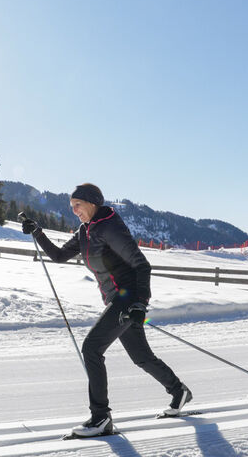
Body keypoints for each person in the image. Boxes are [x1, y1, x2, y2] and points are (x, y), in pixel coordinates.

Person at [22, 183, 191, 437]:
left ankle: (100, 417)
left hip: (128, 298)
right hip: (116, 301)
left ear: (92, 203)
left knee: (91, 348)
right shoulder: (85, 231)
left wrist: (140, 304)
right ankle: (180, 392)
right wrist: (38, 233)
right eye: (72, 207)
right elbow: (58, 256)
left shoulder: (109, 226)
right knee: (141, 356)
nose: (75, 211)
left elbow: (141, 265)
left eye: (78, 205)